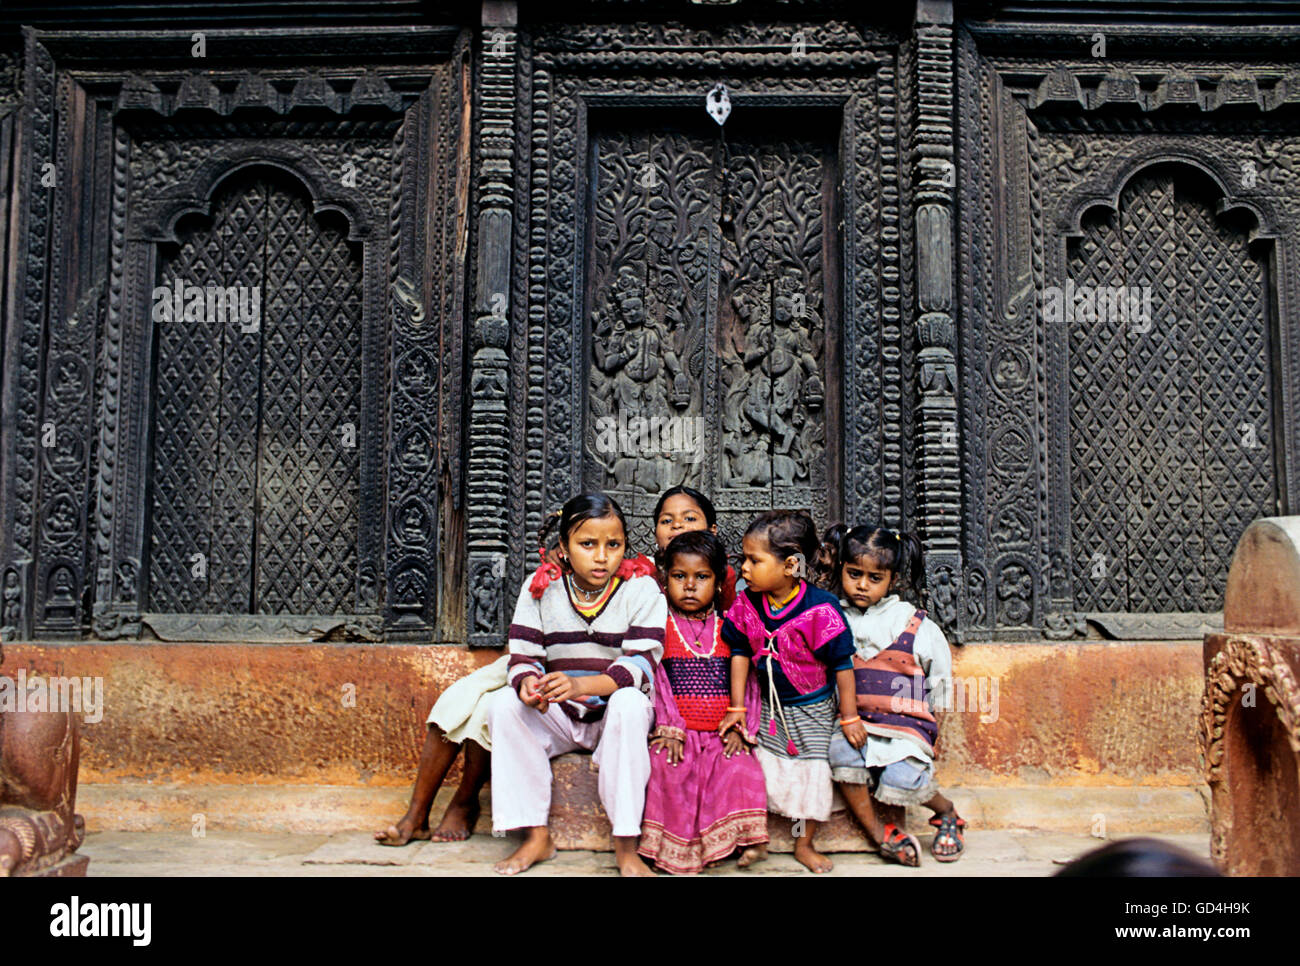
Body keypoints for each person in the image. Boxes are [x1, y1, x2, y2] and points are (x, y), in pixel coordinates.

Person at [488, 493, 666, 876]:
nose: (602, 556)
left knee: (632, 703)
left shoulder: (642, 590)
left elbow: (640, 666)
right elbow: (523, 656)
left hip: (613, 716)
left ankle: (626, 846)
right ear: (564, 549)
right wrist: (529, 686)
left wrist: (581, 684)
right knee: (504, 705)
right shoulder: (540, 590)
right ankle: (536, 836)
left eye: (613, 545)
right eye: (588, 544)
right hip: (563, 714)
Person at [815, 524, 966, 865]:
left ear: (892, 580)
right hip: (856, 724)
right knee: (841, 754)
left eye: (874, 578)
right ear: (841, 569)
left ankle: (947, 813)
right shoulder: (832, 616)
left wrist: (930, 720)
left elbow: (939, 677)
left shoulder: (912, 622)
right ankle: (878, 833)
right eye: (854, 574)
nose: (862, 585)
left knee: (902, 778)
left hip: (905, 726)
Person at [717, 509, 857, 874]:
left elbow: (842, 664)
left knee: (809, 774)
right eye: (743, 558)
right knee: (762, 767)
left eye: (754, 560)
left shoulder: (820, 609)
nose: (744, 568)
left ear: (790, 564)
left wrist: (850, 714)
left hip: (811, 708)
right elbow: (739, 653)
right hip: (766, 706)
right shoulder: (747, 604)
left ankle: (803, 842)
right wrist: (737, 708)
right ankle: (755, 836)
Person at [638, 531, 769, 874]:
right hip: (677, 733)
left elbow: (749, 685)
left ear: (719, 581)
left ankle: (744, 840)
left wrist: (743, 727)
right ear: (665, 579)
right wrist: (669, 725)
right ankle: (673, 849)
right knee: (666, 767)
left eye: (702, 577)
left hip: (719, 733)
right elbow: (655, 680)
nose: (690, 586)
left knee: (741, 767)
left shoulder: (730, 629)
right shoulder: (659, 627)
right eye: (680, 576)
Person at [652, 484, 738, 608]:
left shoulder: (722, 573)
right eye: (666, 521)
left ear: (712, 531)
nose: (677, 524)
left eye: (690, 518)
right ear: (655, 534)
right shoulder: (641, 573)